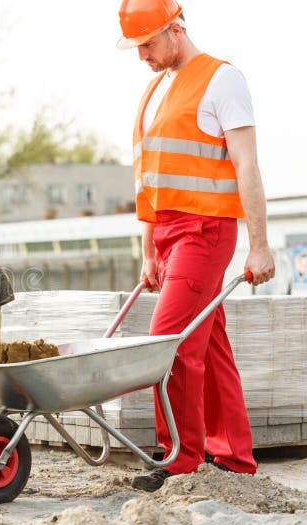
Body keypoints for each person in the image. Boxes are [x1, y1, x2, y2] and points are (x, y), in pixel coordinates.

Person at [116, 0, 276, 492]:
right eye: (136, 46)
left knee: (170, 342)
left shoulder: (223, 80)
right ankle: (234, 455)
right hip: (168, 234)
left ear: (175, 30)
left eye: (147, 43)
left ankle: (182, 456)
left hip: (205, 233)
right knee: (212, 344)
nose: (141, 55)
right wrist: (149, 251)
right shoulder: (155, 90)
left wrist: (260, 246)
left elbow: (246, 167)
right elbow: (151, 181)